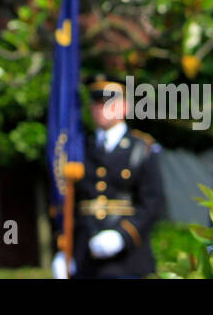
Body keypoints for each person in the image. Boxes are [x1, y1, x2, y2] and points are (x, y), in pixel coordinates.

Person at [69, 78, 164, 278]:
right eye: (97, 103)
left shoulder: (142, 148)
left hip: (129, 259)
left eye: (109, 103)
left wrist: (123, 236)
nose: (102, 108)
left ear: (124, 107)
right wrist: (63, 250)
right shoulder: (79, 148)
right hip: (86, 258)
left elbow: (153, 203)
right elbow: (70, 202)